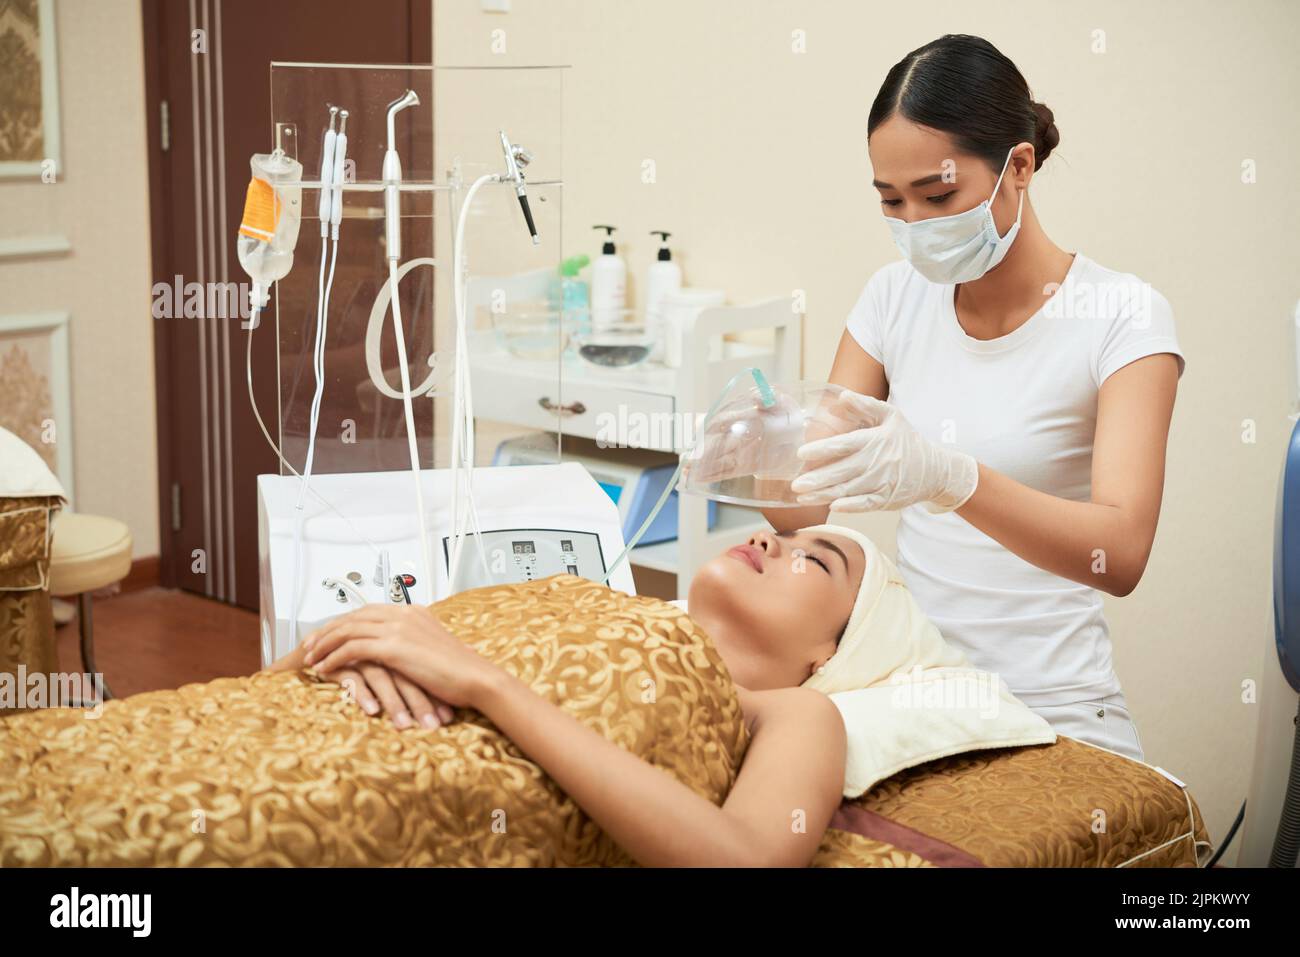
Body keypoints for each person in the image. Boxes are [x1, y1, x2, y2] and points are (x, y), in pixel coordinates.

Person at [772, 35, 1185, 763]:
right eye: (891, 201)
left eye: (938, 196)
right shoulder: (892, 299)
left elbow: (1117, 555)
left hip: (1057, 707)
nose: (915, 226)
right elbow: (799, 508)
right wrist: (761, 436)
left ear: (1018, 166)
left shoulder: (1123, 315)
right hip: (914, 690)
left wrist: (950, 477)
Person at [272, 526, 866, 867]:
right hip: (277, 722)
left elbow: (744, 861)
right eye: (781, 535)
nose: (766, 538)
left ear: (829, 652)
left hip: (345, 802)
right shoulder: (589, 597)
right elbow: (284, 677)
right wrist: (346, 651)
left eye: (811, 559)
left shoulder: (797, 713)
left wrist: (486, 684)